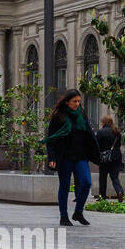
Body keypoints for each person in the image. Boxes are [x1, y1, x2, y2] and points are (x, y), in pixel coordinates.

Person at [46, 89, 100, 227]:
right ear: (67, 102)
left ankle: (78, 212)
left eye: (79, 101)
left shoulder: (82, 114)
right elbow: (51, 138)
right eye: (74, 101)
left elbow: (89, 133)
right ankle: (63, 216)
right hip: (64, 156)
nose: (77, 104)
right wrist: (51, 157)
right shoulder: (58, 116)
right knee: (64, 186)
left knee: (86, 182)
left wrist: (95, 151)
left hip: (81, 155)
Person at [95, 115, 125, 202]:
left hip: (105, 158)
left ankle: (102, 196)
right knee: (114, 177)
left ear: (104, 122)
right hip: (116, 157)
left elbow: (97, 145)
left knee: (103, 177)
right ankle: (119, 191)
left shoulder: (101, 132)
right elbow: (118, 145)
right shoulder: (117, 132)